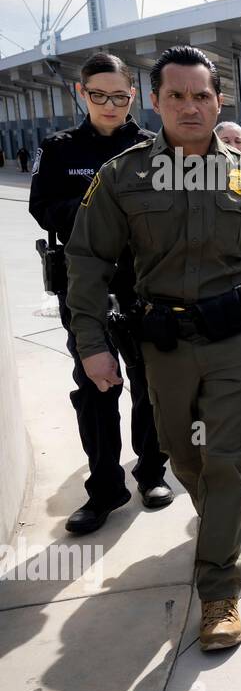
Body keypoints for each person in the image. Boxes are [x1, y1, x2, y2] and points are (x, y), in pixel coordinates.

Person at [65, 45, 241, 652]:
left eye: (201, 96)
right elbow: (87, 260)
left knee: (223, 461)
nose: (189, 107)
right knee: (182, 456)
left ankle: (219, 591)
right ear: (156, 100)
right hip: (163, 346)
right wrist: (91, 343)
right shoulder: (123, 176)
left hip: (235, 342)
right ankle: (219, 515)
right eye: (176, 95)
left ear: (219, 101)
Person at [28, 51, 172, 534]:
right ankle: (105, 489)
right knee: (95, 387)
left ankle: (151, 473)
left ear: (132, 96)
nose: (110, 106)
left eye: (119, 96)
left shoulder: (153, 147)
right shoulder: (60, 148)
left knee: (151, 384)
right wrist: (103, 214)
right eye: (99, 96)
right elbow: (44, 207)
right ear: (81, 93)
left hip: (143, 283)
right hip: (86, 288)